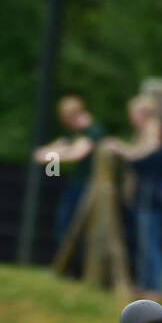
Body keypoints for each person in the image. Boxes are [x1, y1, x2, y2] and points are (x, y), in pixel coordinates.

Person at [102, 96, 162, 297]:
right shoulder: (148, 136)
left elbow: (142, 160)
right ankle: (145, 284)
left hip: (151, 197)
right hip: (145, 197)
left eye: (133, 115)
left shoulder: (154, 137)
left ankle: (155, 287)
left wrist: (120, 150)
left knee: (150, 242)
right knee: (144, 240)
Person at [32, 95, 105, 253]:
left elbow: (77, 153)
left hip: (90, 187)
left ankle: (73, 264)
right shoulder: (77, 132)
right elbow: (61, 144)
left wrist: (51, 155)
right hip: (79, 184)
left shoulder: (93, 131)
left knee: (71, 225)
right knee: (64, 222)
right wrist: (49, 152)